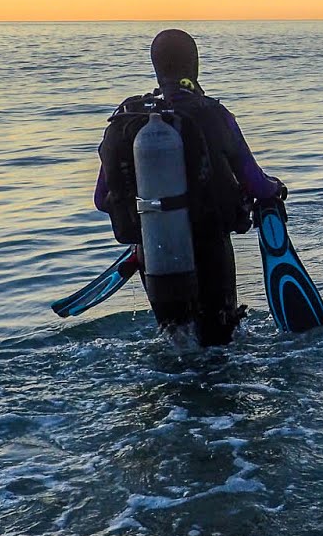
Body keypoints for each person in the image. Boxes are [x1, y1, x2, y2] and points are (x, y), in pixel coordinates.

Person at [94, 29, 285, 344]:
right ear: (195, 65)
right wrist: (275, 189)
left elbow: (102, 199)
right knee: (220, 340)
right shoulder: (212, 114)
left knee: (175, 340)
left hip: (156, 254)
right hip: (209, 247)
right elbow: (256, 183)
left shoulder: (132, 120)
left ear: (156, 67)